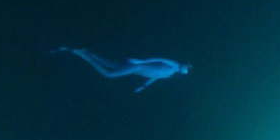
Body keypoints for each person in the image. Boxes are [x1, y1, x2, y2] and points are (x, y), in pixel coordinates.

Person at [53, 47, 191, 93]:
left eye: (188, 71)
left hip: (136, 70)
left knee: (109, 64)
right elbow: (159, 59)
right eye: (187, 67)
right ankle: (83, 55)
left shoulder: (170, 74)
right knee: (109, 74)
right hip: (137, 65)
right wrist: (141, 60)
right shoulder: (174, 64)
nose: (186, 70)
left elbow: (154, 77)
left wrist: (143, 86)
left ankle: (86, 52)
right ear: (184, 64)